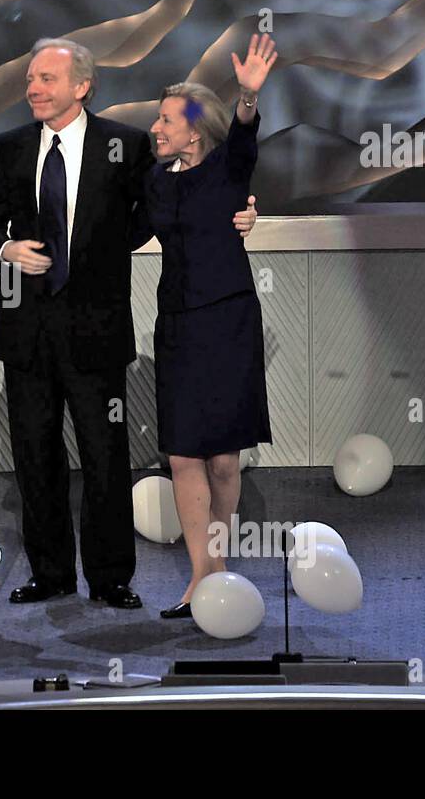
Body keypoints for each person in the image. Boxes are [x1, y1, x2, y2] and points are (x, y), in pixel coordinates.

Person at [0, 38, 258, 609]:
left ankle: (109, 578)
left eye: (46, 78)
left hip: (97, 329)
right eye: (30, 78)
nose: (33, 88)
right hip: (26, 331)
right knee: (35, 456)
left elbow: (177, 197)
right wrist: (6, 249)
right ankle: (50, 574)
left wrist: (241, 211)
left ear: (81, 86)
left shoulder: (123, 146)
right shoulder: (8, 148)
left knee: (104, 457)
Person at [143, 33, 276, 619]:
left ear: (195, 130)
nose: (156, 126)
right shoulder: (154, 180)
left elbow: (244, 136)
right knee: (181, 456)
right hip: (176, 324)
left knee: (223, 460)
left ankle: (217, 562)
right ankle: (205, 575)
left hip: (227, 320)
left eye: (167, 119)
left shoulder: (226, 170)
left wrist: (246, 97)